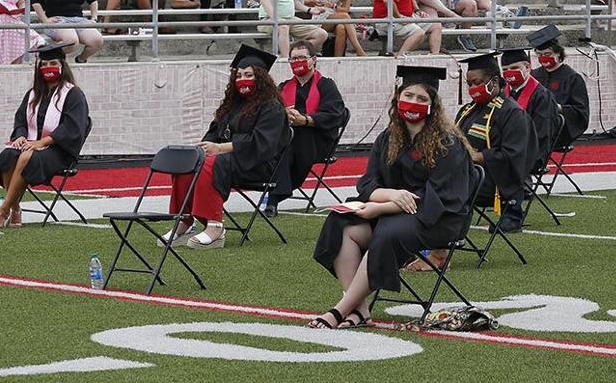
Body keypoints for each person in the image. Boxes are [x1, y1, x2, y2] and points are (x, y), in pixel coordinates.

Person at [310, 64, 470, 326]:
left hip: (438, 219)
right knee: (341, 223)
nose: (413, 103)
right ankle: (359, 308)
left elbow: (441, 195)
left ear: (433, 105)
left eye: (421, 98)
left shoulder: (447, 143)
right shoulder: (388, 138)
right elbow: (367, 183)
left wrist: (381, 208)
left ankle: (340, 309)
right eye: (408, 96)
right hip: (393, 210)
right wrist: (389, 195)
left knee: (388, 231)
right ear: (398, 98)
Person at [163, 46, 286, 249]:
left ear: (261, 78)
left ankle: (215, 226)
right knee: (191, 162)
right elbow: (214, 132)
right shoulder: (232, 105)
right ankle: (184, 221)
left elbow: (263, 144)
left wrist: (221, 148)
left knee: (212, 163)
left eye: (249, 75)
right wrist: (203, 148)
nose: (242, 79)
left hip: (258, 164)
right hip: (228, 163)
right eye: (238, 75)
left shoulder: (272, 107)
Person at [0, 42, 91, 227]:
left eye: (53, 64)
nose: (48, 68)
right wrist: (20, 136)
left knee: (27, 156)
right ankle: (15, 207)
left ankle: (3, 210)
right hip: (32, 144)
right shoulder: (33, 94)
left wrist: (42, 143)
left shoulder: (74, 95)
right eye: (44, 65)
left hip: (59, 151)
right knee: (8, 155)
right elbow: (21, 121)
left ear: (62, 66)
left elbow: (73, 128)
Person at [456, 51, 535, 233]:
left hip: (494, 181)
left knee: (449, 183)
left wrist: (478, 156)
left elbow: (515, 155)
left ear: (494, 82)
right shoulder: (467, 111)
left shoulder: (512, 113)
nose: (472, 88)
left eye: (477, 83)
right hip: (466, 173)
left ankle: (450, 236)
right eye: (469, 84)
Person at [270, 40, 348, 213]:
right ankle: (276, 192)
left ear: (313, 60)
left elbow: (336, 115)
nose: (297, 62)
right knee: (280, 141)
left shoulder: (326, 85)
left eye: (301, 57)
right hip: (288, 141)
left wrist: (305, 120)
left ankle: (275, 194)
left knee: (297, 136)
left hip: (319, 141)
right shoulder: (283, 87)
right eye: (293, 59)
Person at [528, 25, 589, 148]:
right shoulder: (534, 75)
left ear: (558, 53)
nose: (543, 58)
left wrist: (558, 108)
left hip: (559, 129)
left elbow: (581, 113)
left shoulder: (572, 78)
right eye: (539, 55)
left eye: (547, 54)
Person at [500, 46, 558, 173]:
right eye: (505, 70)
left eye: (515, 68)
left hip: (531, 152)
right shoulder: (502, 94)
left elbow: (542, 134)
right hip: (507, 149)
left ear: (527, 67)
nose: (509, 72)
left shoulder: (542, 96)